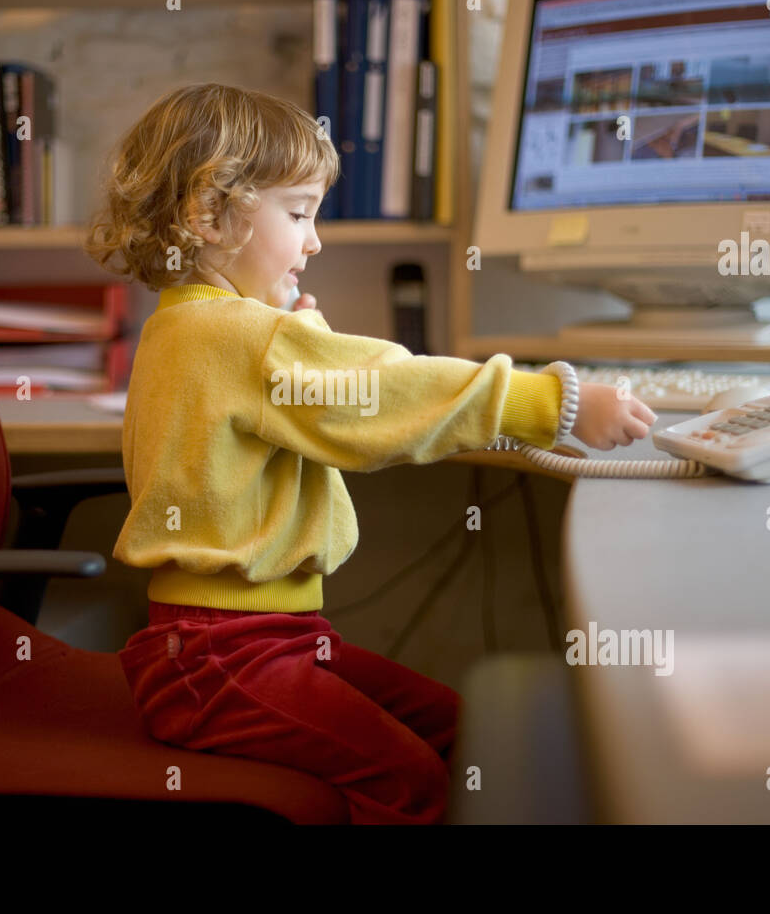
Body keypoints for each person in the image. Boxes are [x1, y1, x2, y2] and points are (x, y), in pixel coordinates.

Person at [84, 83, 656, 824]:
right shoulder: (241, 337)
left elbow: (310, 394)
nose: (314, 241)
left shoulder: (182, 327)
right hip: (223, 660)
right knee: (410, 778)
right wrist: (550, 404)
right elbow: (384, 392)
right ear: (208, 214)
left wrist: (296, 339)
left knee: (455, 727)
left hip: (251, 643)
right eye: (297, 215)